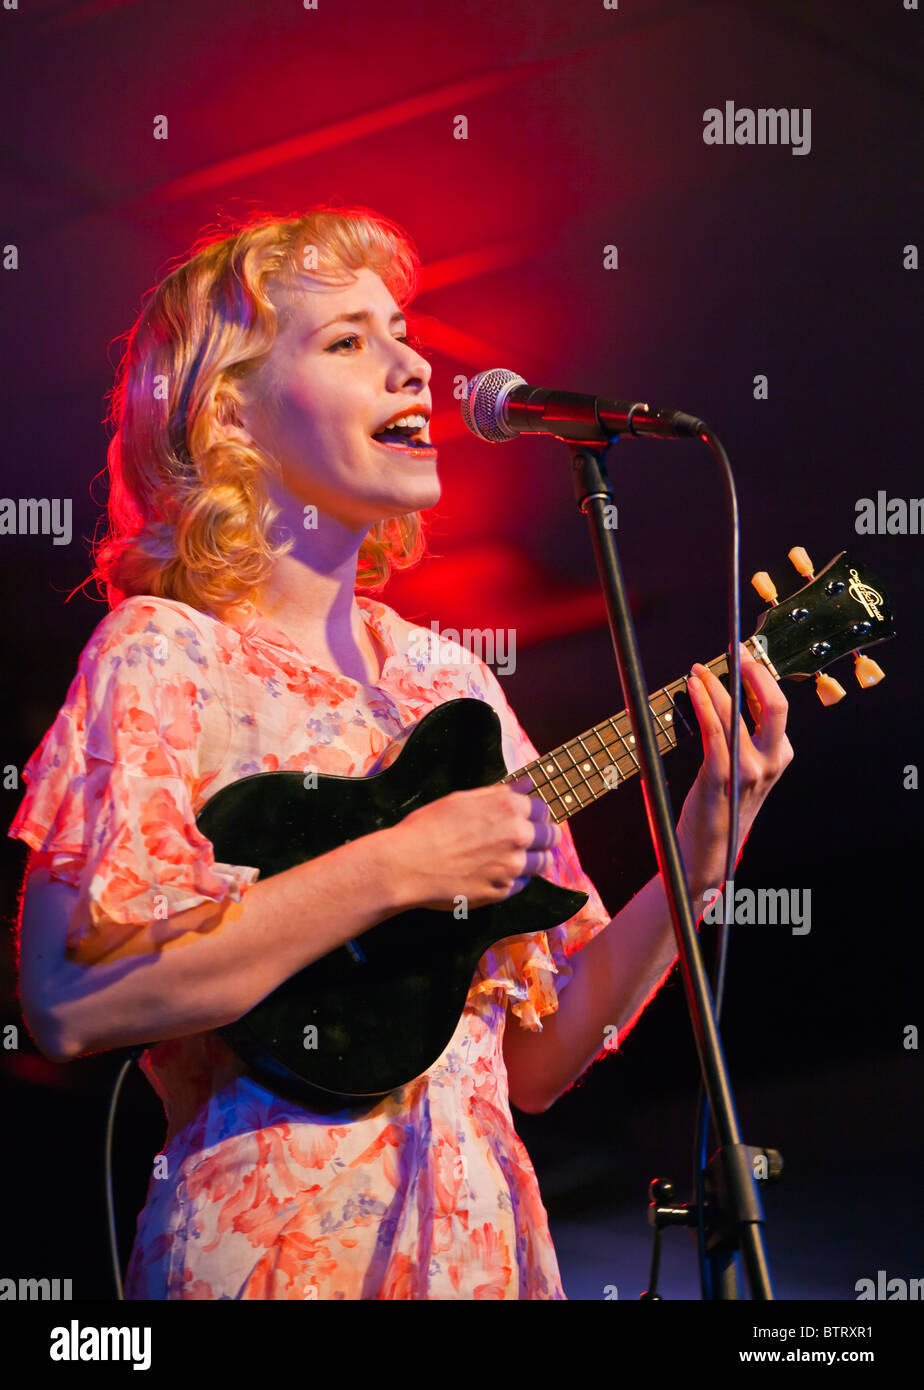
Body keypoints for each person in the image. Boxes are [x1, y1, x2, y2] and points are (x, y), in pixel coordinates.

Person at [9, 204, 793, 1300]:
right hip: (271, 1254)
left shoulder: (452, 682)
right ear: (229, 414)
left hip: (480, 1257)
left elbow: (537, 1056)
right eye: (347, 340)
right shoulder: (166, 656)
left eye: (401, 330)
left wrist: (703, 849)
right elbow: (64, 996)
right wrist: (398, 868)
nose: (413, 363)